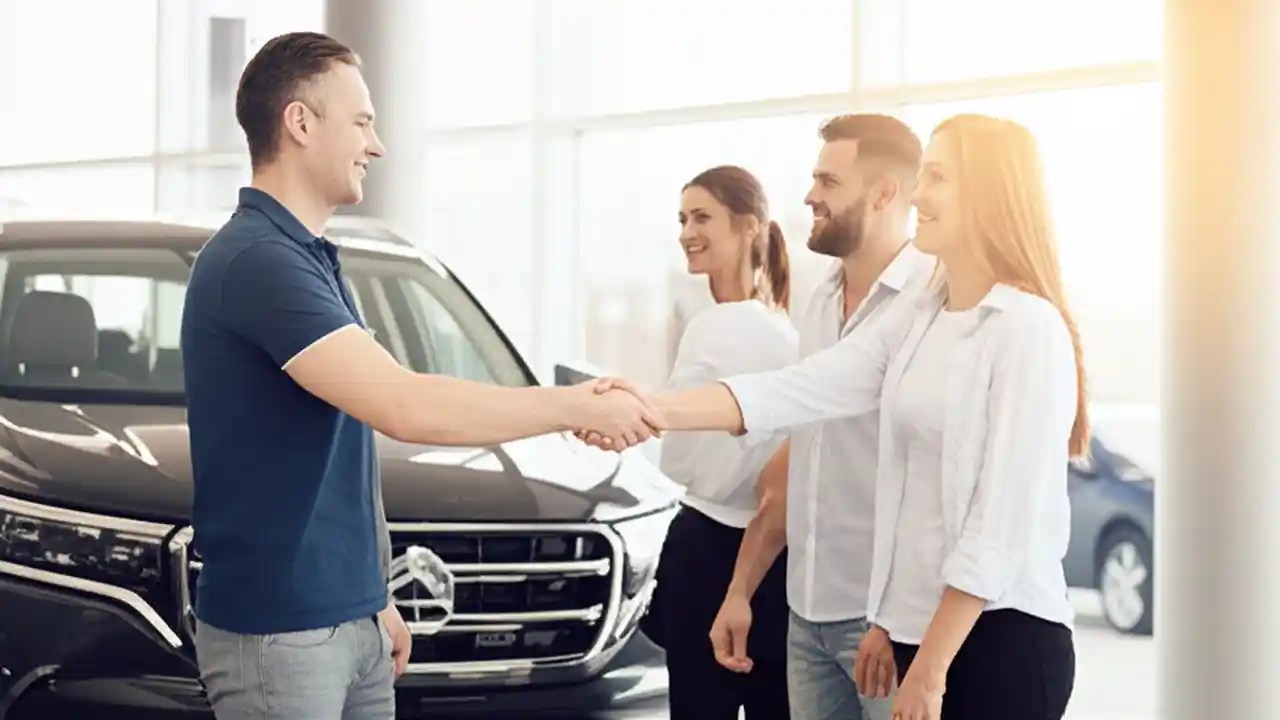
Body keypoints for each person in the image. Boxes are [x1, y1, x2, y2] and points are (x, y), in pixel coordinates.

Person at [180, 32, 659, 720]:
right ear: (301, 122)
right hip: (281, 631)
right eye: (363, 122)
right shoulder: (257, 262)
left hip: (350, 620)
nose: (376, 145)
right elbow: (405, 405)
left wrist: (373, 594)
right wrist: (574, 405)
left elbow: (347, 451)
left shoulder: (310, 258)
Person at [590, 113, 1085, 719]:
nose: (919, 194)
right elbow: (809, 388)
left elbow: (996, 530)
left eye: (936, 177)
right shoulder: (925, 313)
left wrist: (928, 671)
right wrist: (652, 408)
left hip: (1000, 639)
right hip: (920, 632)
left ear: (989, 193)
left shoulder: (1026, 329)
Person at [707, 114, 932, 720]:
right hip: (806, 616)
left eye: (827, 181)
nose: (809, 196)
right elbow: (798, 460)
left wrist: (897, 621)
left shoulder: (931, 303)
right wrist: (740, 590)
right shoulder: (820, 299)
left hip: (889, 625)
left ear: (883, 193)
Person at [644, 165, 797, 719]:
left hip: (709, 548)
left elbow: (677, 460)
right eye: (683, 218)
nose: (687, 231)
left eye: (702, 216)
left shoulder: (718, 327)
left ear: (749, 225)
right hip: (776, 560)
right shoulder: (787, 328)